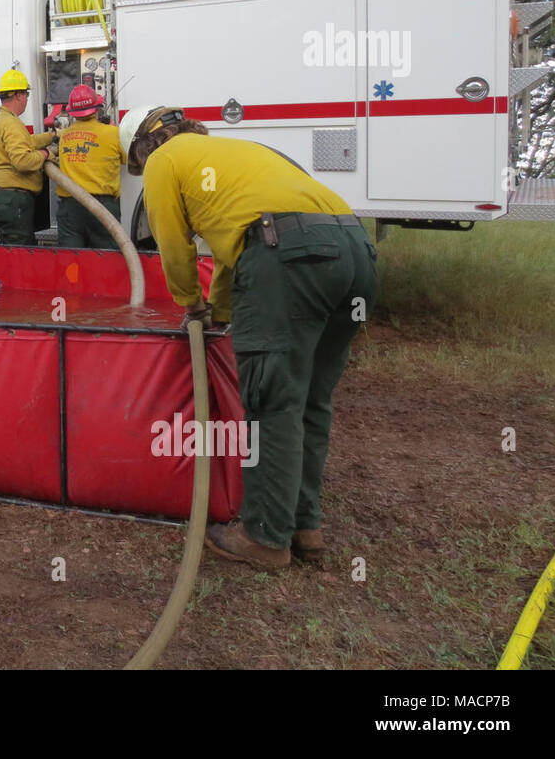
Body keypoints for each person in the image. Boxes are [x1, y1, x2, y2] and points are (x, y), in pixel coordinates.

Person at [121, 104, 378, 570]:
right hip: (355, 251)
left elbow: (173, 245)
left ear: (144, 146)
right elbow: (234, 256)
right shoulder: (233, 153)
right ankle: (304, 526)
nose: (142, 169)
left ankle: (264, 536)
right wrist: (218, 311)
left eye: (136, 162)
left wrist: (191, 306)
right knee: (310, 400)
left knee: (272, 401)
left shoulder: (164, 160)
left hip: (288, 257)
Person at [0, 69, 58, 245]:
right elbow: (23, 161)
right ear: (18, 95)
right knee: (19, 252)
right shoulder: (12, 123)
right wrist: (46, 154)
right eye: (26, 94)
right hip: (12, 199)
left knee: (10, 249)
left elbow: (26, 142)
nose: (27, 99)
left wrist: (52, 136)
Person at [54, 84, 126, 248]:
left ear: (73, 112)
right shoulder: (113, 133)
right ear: (96, 109)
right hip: (102, 208)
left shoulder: (64, 136)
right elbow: (127, 159)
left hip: (70, 206)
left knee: (72, 259)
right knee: (105, 258)